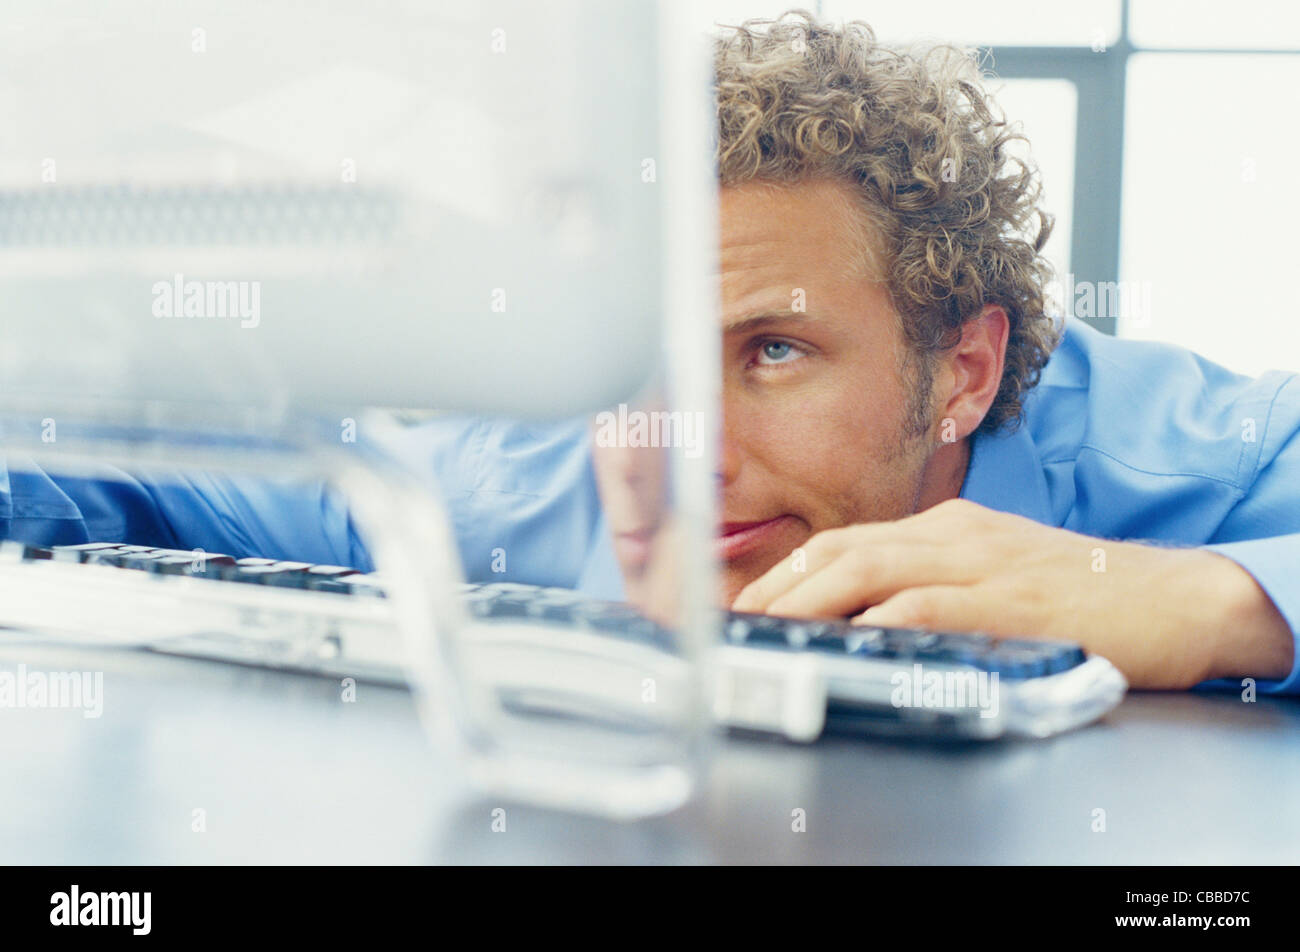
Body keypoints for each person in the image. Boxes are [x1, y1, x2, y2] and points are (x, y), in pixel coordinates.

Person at [1, 12, 1296, 694]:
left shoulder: (1171, 456)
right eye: (638, 354)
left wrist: (1219, 602)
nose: (673, 453)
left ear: (961, 370)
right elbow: (136, 477)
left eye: (774, 351)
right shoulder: (509, 465)